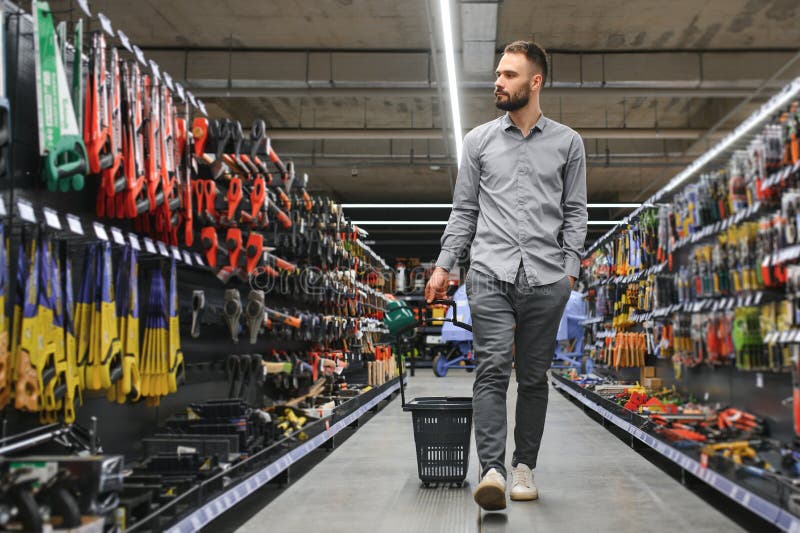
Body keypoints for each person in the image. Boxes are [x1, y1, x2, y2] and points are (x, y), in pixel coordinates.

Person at [425, 40, 587, 511]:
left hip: (546, 278)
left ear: (535, 82)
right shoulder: (477, 141)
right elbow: (464, 211)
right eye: (498, 73)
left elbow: (575, 212)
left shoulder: (568, 143)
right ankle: (491, 469)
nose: (498, 82)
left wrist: (570, 272)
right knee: (493, 370)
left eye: (510, 75)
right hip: (490, 272)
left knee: (534, 377)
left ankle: (523, 467)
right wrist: (444, 265)